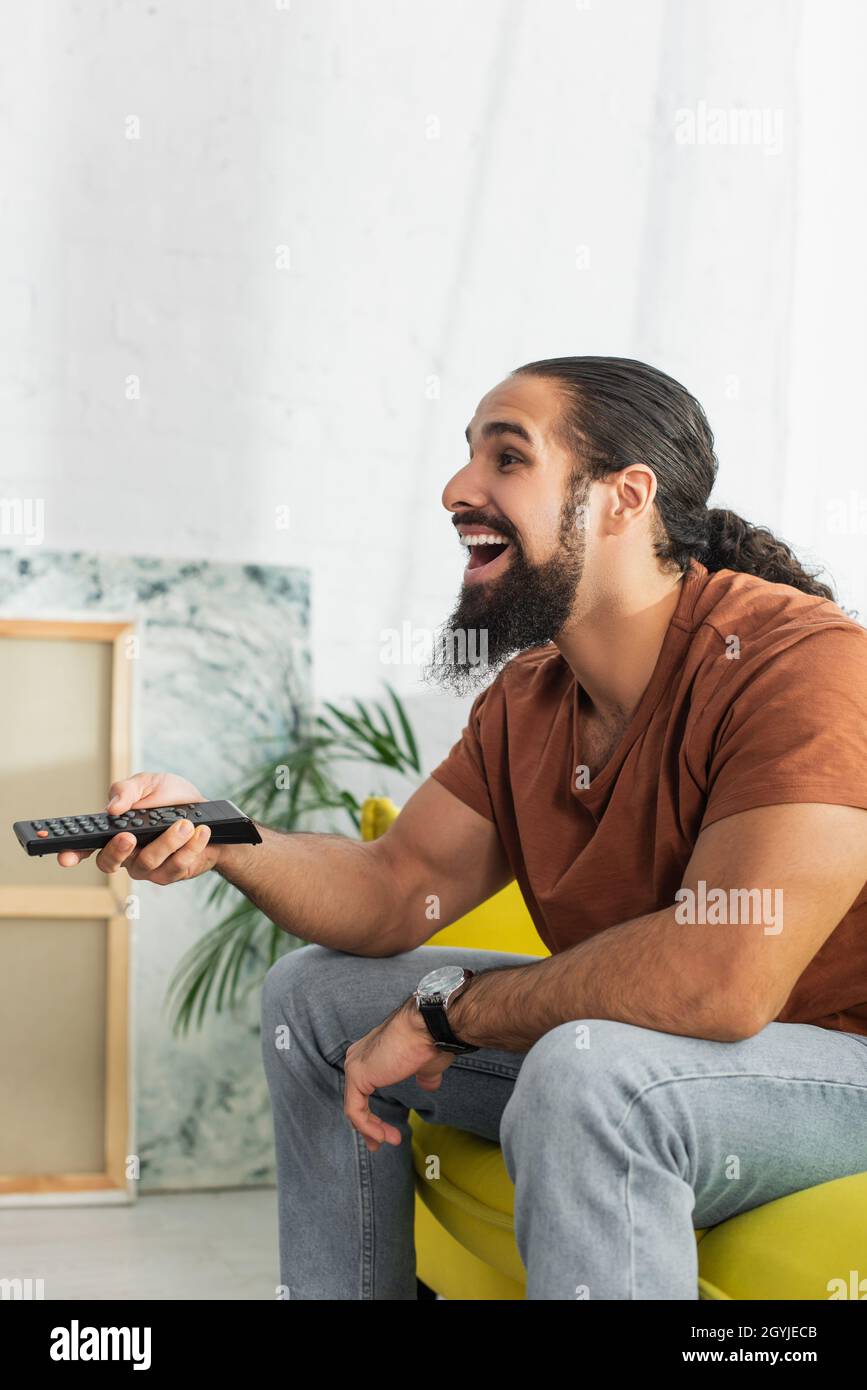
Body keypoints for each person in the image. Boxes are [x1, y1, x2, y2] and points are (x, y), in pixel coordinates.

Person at [60, 356, 867, 1300]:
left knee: (588, 1069)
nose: (456, 490)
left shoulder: (800, 663)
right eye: (466, 456)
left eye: (507, 458)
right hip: (651, 1046)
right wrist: (227, 837)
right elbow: (395, 886)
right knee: (314, 998)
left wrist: (445, 1013)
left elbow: (723, 980)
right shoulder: (529, 698)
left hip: (830, 1066)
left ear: (623, 499)